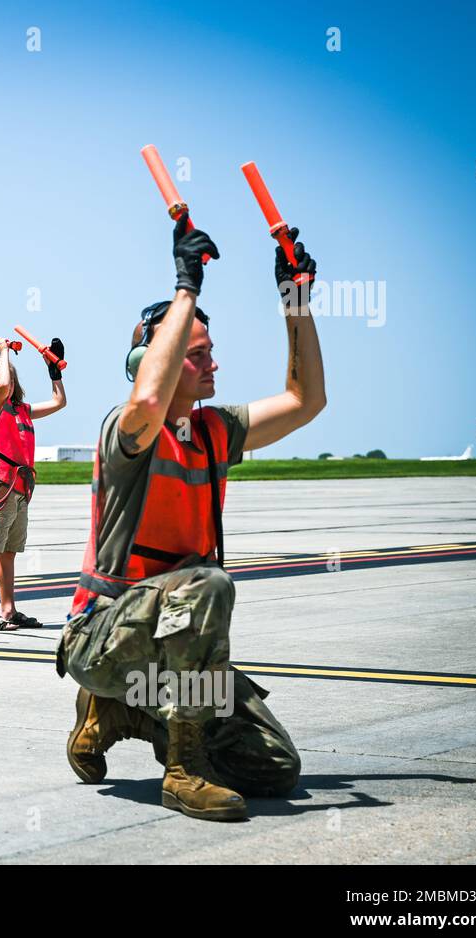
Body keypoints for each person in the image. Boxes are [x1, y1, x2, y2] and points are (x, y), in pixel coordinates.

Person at [57, 212, 324, 821]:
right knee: (209, 584)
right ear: (158, 358)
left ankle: (127, 708)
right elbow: (149, 398)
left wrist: (296, 302)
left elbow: (306, 400)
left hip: (167, 644)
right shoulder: (128, 432)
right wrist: (187, 286)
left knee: (274, 770)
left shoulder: (214, 430)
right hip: (100, 637)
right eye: (198, 355)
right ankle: (183, 768)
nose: (213, 366)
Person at [0, 336, 66, 631]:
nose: (4, 384)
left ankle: (9, 608)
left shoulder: (22, 410)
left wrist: (53, 371)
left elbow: (59, 402)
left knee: (10, 550)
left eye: (10, 379)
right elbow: (0, 388)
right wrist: (2, 352)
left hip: (21, 487)